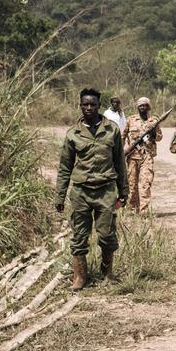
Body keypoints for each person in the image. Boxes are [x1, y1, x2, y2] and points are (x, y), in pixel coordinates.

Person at [55, 88, 128, 290]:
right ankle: (80, 277)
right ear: (80, 105)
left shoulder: (111, 130)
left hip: (106, 190)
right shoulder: (73, 134)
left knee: (107, 235)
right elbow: (64, 167)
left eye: (93, 104)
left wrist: (124, 191)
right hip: (81, 192)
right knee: (79, 235)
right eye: (85, 104)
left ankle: (107, 273)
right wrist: (60, 196)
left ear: (99, 106)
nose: (89, 108)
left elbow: (120, 162)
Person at [122, 97, 163, 213]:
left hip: (147, 156)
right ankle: (132, 210)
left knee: (145, 184)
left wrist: (154, 132)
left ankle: (144, 211)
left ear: (148, 107)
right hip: (132, 157)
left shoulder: (154, 121)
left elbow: (160, 137)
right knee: (132, 185)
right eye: (140, 105)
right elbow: (122, 136)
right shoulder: (131, 120)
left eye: (145, 105)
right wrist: (121, 152)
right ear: (137, 107)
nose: (143, 107)